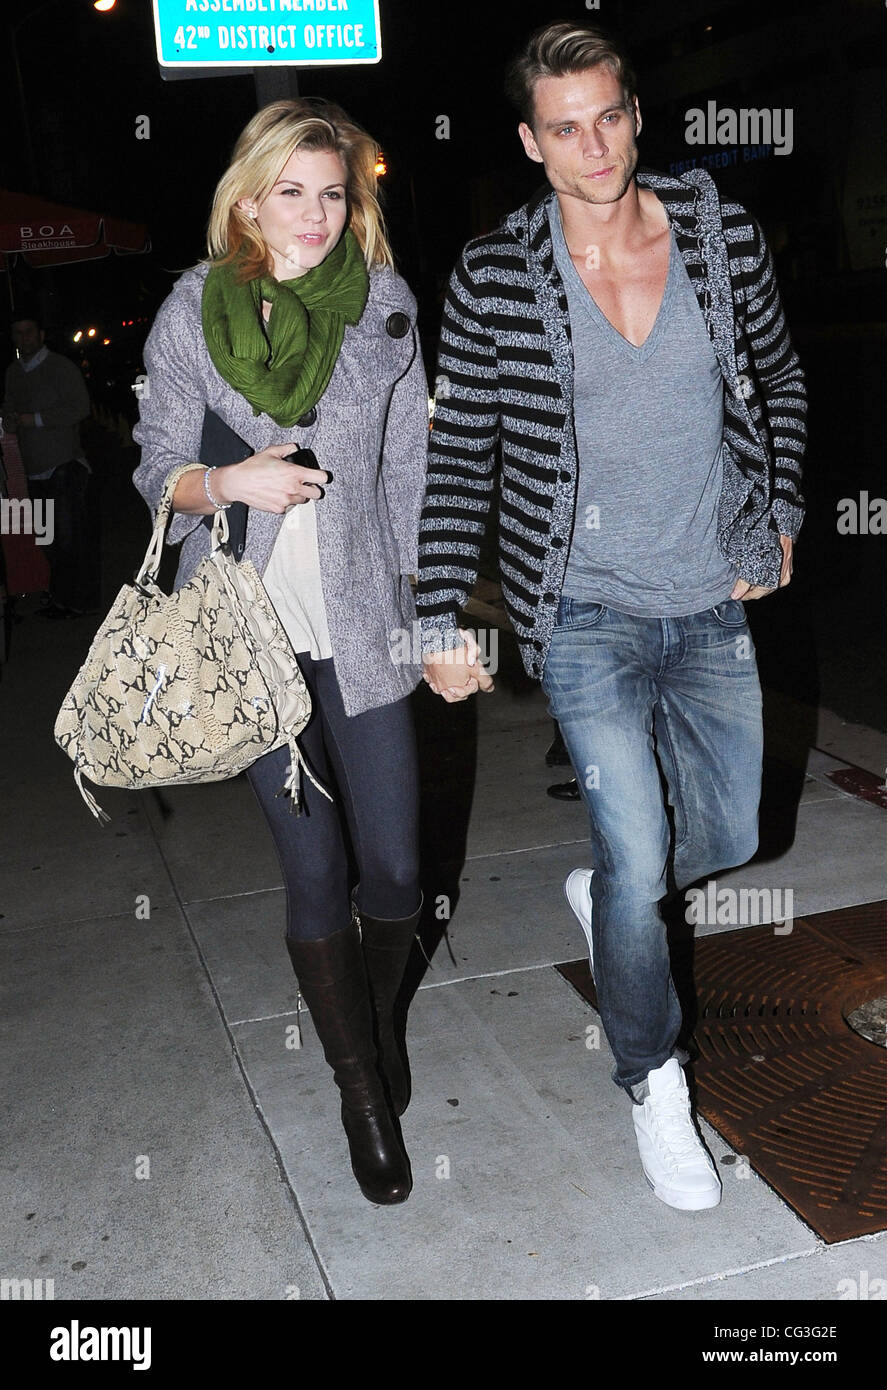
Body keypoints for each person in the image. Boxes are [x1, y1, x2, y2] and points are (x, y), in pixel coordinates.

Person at [418, 22, 805, 1211]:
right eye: (564, 127)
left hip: (707, 597)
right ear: (531, 144)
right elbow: (459, 459)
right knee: (636, 853)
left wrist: (780, 505)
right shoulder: (491, 277)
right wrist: (439, 611)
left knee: (734, 836)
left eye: (610, 115)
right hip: (580, 613)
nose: (594, 145)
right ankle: (654, 1082)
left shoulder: (717, 233)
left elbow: (781, 378)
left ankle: (615, 897)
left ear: (636, 113)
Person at [132, 98, 430, 1206]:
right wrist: (227, 482)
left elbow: (410, 474)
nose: (312, 214)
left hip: (359, 625)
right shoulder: (189, 313)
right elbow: (154, 460)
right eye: (289, 191)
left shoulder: (385, 308)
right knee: (315, 870)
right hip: (246, 633)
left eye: (332, 191)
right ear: (247, 199)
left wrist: (434, 613)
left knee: (396, 867)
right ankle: (363, 1094)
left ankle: (375, 1018)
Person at [2, 313, 98, 617]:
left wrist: (36, 419)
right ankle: (60, 599)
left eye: (29, 332)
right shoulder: (13, 373)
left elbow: (80, 407)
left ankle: (81, 603)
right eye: (18, 333)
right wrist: (10, 420)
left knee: (71, 539)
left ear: (41, 335)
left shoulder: (60, 367)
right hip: (33, 468)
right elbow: (10, 409)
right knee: (48, 538)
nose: (23, 338)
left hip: (64, 463)